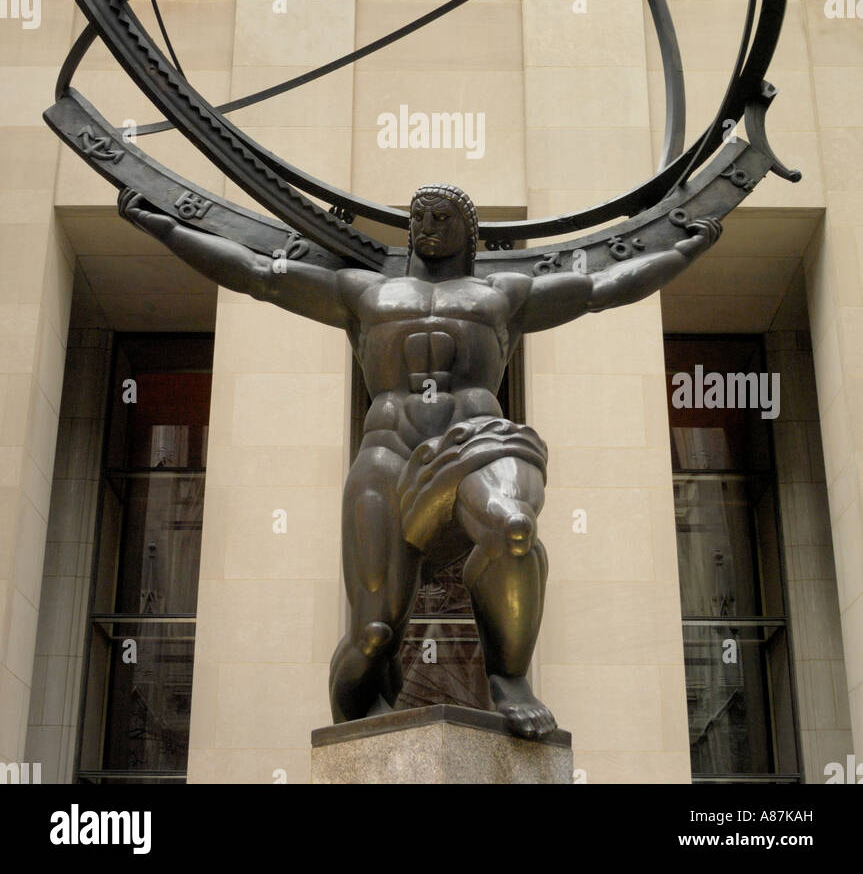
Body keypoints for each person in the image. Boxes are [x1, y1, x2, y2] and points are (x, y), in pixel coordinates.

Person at [119, 183, 720, 739]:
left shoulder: (501, 294)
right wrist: (164, 229)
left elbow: (602, 288)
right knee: (373, 631)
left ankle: (507, 677)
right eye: (418, 219)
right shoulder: (364, 292)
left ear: (471, 232)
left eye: (442, 218)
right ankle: (362, 723)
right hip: (389, 453)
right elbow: (256, 275)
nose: (427, 228)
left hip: (476, 444)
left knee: (513, 528)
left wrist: (686, 253)